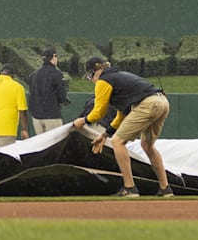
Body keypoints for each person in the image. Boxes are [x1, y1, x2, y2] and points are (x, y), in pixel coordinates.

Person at [71, 55, 174, 197]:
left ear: (98, 70)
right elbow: (121, 115)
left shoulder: (104, 81)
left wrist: (82, 121)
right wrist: (105, 134)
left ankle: (130, 188)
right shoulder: (118, 76)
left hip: (147, 104)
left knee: (117, 142)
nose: (92, 80)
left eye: (90, 75)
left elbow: (98, 112)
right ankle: (165, 189)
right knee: (147, 145)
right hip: (162, 102)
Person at [27, 47, 70, 134]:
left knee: (42, 145)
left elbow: (32, 93)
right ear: (54, 57)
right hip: (52, 115)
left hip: (36, 117)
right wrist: (65, 100)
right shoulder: (57, 74)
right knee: (55, 145)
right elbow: (61, 96)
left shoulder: (33, 74)